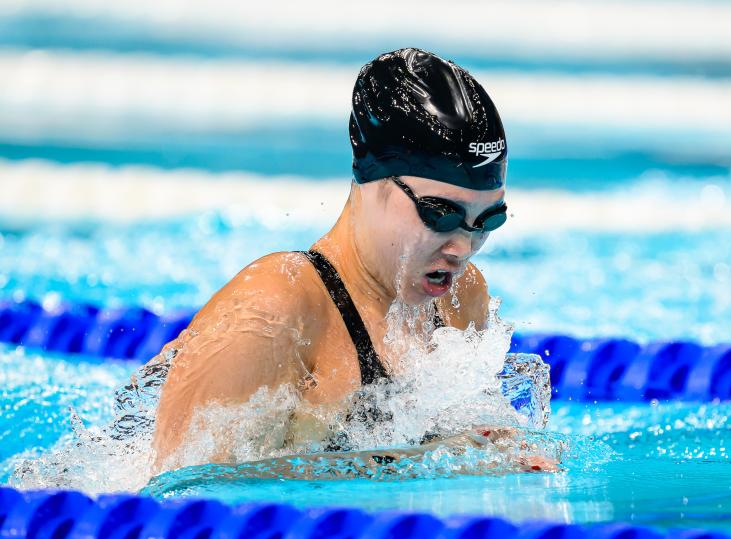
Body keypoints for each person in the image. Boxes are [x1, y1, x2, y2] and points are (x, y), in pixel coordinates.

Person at [151, 48, 553, 475]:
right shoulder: (277, 309)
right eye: (441, 215)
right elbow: (186, 485)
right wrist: (436, 459)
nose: (463, 247)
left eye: (487, 220)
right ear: (372, 180)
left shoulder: (460, 299)